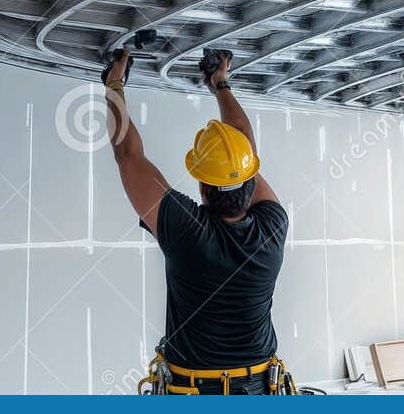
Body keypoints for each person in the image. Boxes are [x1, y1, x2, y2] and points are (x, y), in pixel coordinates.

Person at [100, 47, 295, 395]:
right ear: (251, 182)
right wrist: (219, 83)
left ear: (203, 188)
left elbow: (129, 155)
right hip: (259, 387)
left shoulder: (189, 231)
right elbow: (242, 148)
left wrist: (115, 83)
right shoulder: (271, 228)